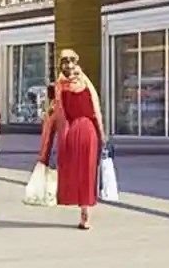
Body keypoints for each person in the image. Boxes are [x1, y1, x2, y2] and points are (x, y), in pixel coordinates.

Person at [53, 49, 104, 229]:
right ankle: (86, 213)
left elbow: (59, 114)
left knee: (74, 170)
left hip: (73, 129)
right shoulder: (86, 83)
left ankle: (79, 207)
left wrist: (61, 138)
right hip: (89, 131)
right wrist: (102, 134)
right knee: (88, 172)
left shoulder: (60, 86)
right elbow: (96, 111)